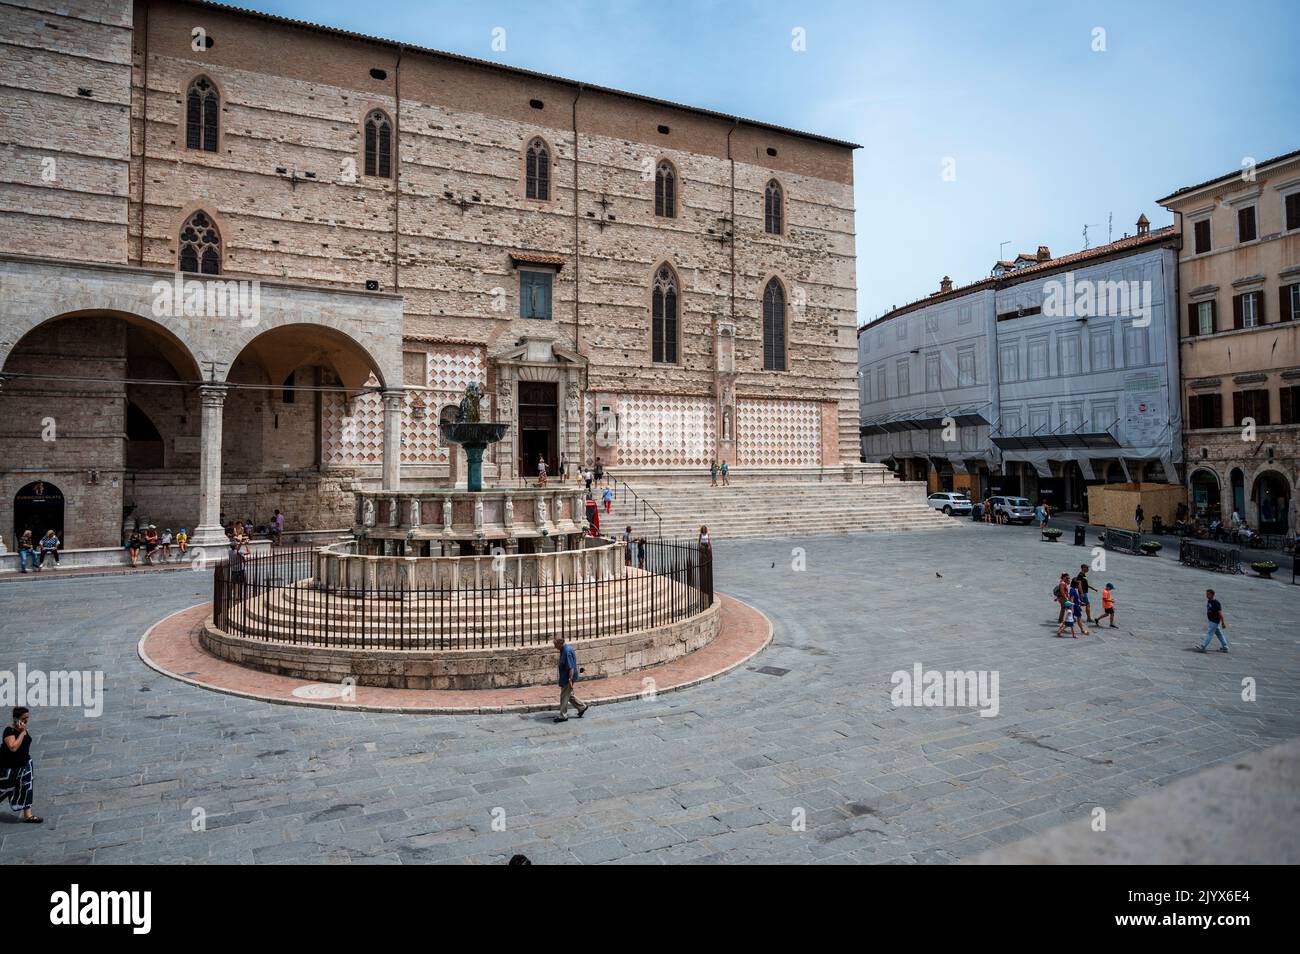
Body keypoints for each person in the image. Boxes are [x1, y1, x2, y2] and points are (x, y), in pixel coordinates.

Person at [1, 707, 41, 823]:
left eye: (27, 717)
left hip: (24, 767)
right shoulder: (9, 731)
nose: (27, 719)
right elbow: (13, 747)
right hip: (8, 769)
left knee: (26, 789)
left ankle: (28, 815)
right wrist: (23, 733)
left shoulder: (22, 728)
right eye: (24, 718)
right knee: (3, 788)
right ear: (17, 718)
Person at [552, 636, 588, 723]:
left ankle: (563, 716)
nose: (554, 646)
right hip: (567, 677)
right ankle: (582, 707)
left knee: (564, 696)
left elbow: (571, 667)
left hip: (568, 677)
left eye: (555, 644)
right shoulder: (564, 649)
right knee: (569, 695)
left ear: (560, 643)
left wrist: (569, 679)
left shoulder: (566, 651)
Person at [1197, 589, 1228, 653]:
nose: (1206, 595)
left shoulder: (1216, 603)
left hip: (1214, 621)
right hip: (1212, 620)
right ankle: (1225, 647)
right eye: (1206, 594)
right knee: (1219, 634)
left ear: (1212, 594)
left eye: (1208, 594)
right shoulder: (1209, 601)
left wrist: (1223, 623)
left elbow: (1220, 613)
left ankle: (1203, 646)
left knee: (1209, 634)